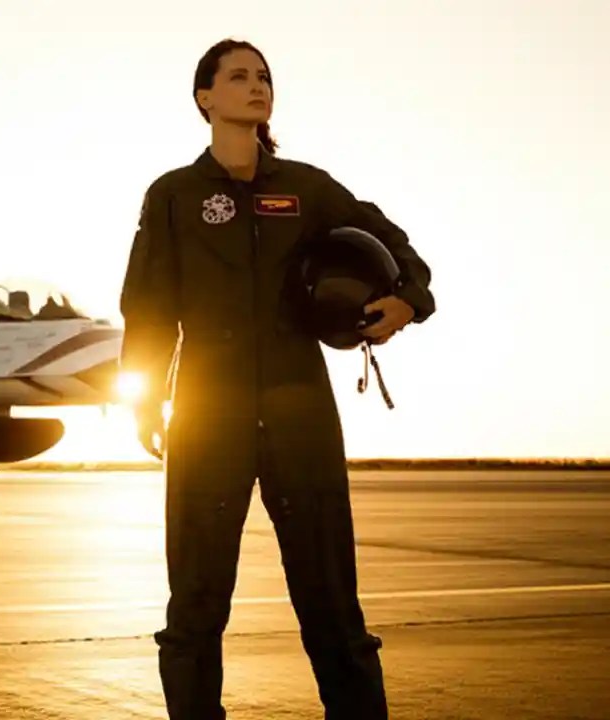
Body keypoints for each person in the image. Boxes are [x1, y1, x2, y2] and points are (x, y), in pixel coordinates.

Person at [118, 38, 435, 719]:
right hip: (207, 416)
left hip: (301, 416)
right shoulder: (173, 196)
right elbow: (146, 308)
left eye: (264, 76)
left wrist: (408, 298)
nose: (257, 85)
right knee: (196, 608)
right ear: (205, 98)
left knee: (331, 606)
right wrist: (143, 394)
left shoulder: (308, 188)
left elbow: (395, 245)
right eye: (238, 76)